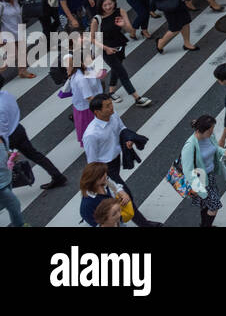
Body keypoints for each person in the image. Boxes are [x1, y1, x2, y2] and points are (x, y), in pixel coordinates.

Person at [81, 94, 161, 226]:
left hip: (116, 159)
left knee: (119, 194)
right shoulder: (91, 135)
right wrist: (102, 176)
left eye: (111, 104)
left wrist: (128, 139)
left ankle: (117, 217)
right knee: (125, 194)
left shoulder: (113, 116)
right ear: (97, 112)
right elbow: (92, 162)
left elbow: (122, 129)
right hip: (104, 167)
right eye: (107, 106)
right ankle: (143, 224)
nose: (111, 107)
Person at [0, 75, 66, 189]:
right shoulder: (6, 95)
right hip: (18, 129)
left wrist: (5, 150)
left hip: (7, 138)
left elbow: (2, 131)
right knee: (35, 155)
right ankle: (57, 175)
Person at [89, 0, 151, 109]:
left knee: (117, 68)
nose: (108, 7)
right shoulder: (97, 19)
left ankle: (111, 92)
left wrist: (123, 25)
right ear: (101, 6)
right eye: (105, 5)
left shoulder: (120, 11)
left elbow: (131, 30)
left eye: (110, 4)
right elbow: (92, 38)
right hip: (105, 49)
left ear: (114, 2)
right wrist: (106, 48)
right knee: (122, 72)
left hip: (119, 44)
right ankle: (137, 98)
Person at [181, 114, 226, 227]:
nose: (212, 132)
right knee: (214, 206)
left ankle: (204, 224)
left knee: (206, 205)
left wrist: (223, 151)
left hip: (210, 176)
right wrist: (201, 191)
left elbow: (215, 147)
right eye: (210, 130)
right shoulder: (190, 146)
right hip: (200, 180)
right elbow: (188, 171)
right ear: (201, 130)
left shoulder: (208, 137)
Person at [77, 163, 131, 228]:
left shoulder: (105, 182)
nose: (105, 176)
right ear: (93, 180)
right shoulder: (87, 206)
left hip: (116, 222)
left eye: (105, 173)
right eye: (102, 176)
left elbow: (116, 188)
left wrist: (124, 194)